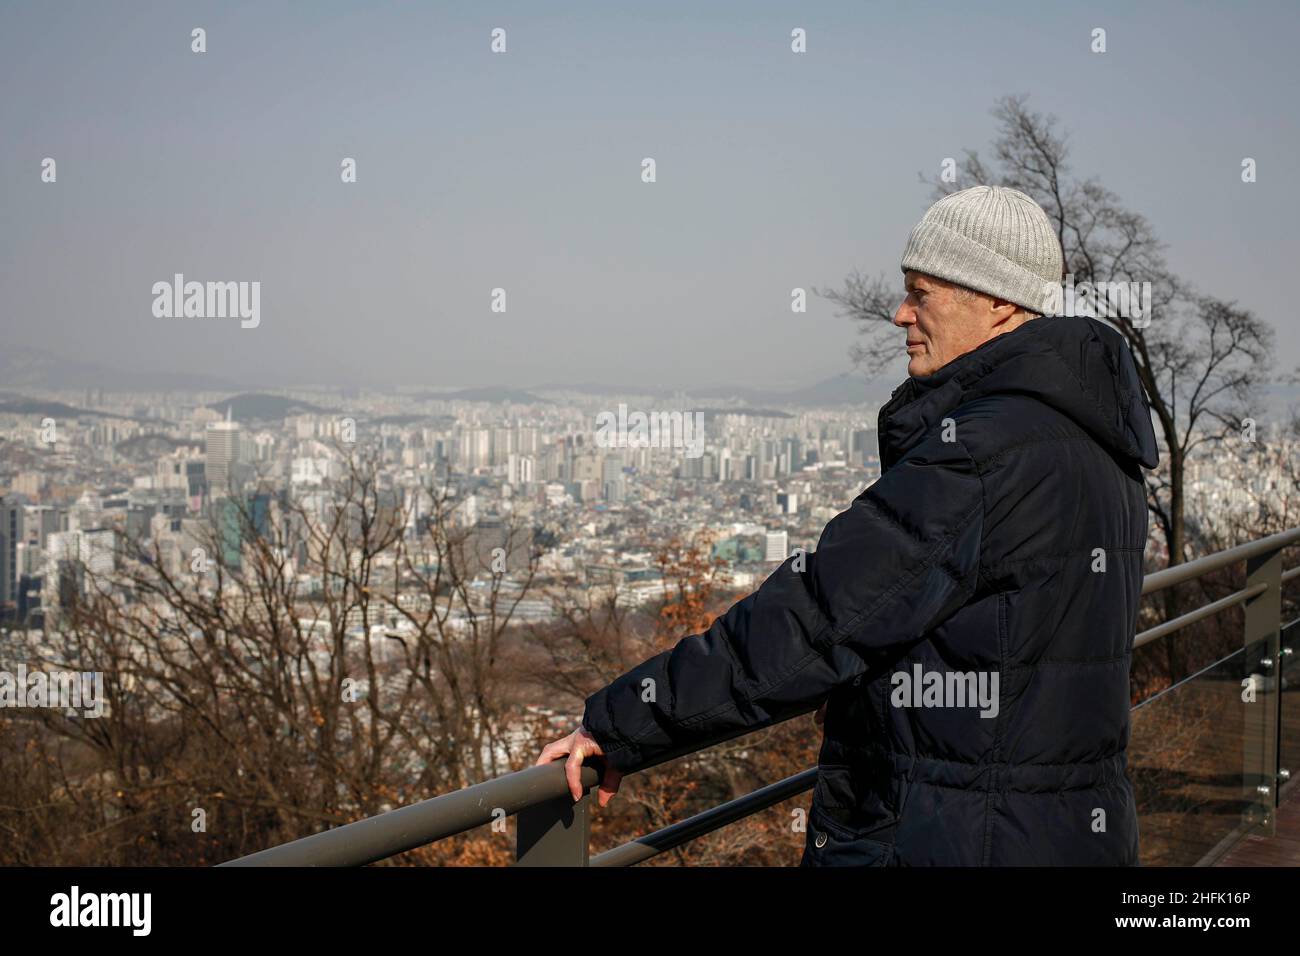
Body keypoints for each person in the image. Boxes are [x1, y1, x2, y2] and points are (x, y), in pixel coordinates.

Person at [536, 185, 1159, 865]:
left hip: (948, 837)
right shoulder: (1100, 443)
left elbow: (812, 619)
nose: (900, 314)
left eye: (921, 293)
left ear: (999, 301)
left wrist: (622, 723)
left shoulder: (979, 453)